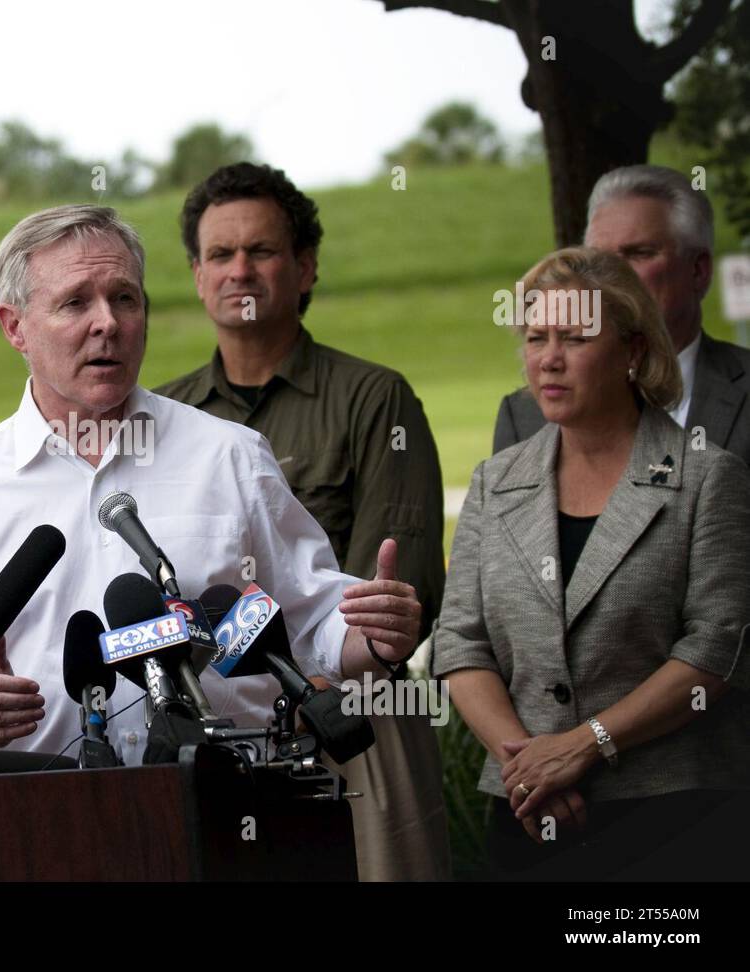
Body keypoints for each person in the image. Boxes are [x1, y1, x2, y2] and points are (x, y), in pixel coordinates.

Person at [0, 204, 423, 772]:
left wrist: (377, 637)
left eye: (125, 298)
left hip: (226, 803)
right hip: (36, 819)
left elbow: (316, 629)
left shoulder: (231, 456)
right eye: (75, 302)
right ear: (15, 327)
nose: (107, 322)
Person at [156, 162, 449, 881]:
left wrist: (317, 668)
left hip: (354, 718)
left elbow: (397, 584)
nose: (240, 270)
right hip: (213, 723)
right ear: (197, 276)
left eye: (262, 251)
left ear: (306, 266)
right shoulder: (166, 419)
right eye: (219, 255)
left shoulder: (375, 398)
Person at [434, 246, 750, 880]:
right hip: (529, 814)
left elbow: (715, 650)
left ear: (633, 350)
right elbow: (459, 643)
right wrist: (527, 763)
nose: (548, 358)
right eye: (535, 337)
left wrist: (582, 748)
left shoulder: (708, 478)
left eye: (575, 338)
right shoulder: (496, 482)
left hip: (674, 819)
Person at [493, 165, 750, 465]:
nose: (610, 278)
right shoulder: (524, 415)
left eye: (639, 253)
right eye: (597, 259)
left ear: (698, 270)